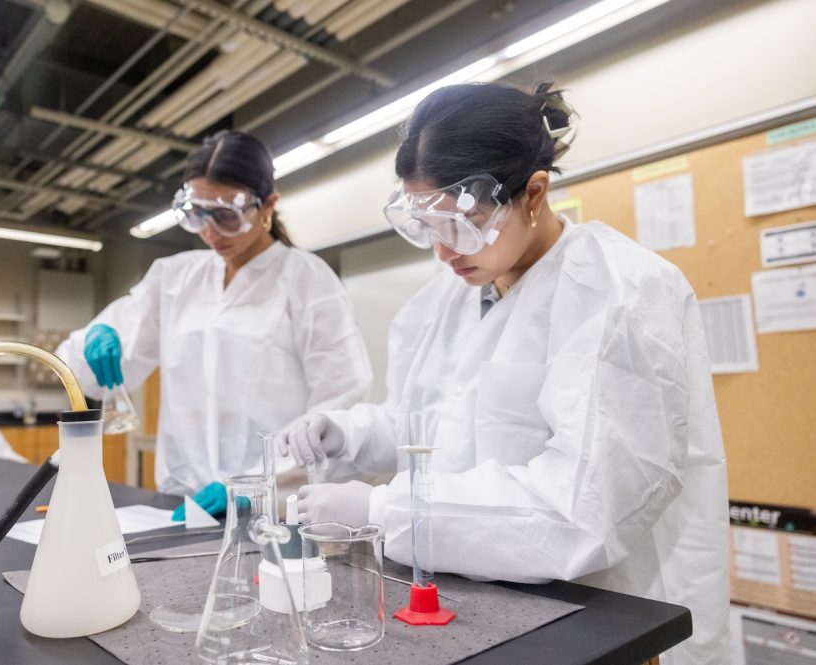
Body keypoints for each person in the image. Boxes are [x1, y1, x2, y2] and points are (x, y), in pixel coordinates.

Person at [277, 83, 729, 664]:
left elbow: (582, 509)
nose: (443, 252)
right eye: (428, 227)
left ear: (534, 193)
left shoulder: (618, 293)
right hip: (475, 606)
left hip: (600, 619)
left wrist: (381, 512)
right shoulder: (447, 299)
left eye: (461, 225)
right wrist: (350, 432)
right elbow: (427, 423)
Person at [57, 130, 372, 516]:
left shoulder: (307, 279)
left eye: (226, 215)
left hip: (271, 507)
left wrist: (252, 486)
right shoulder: (173, 279)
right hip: (183, 501)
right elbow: (97, 376)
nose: (210, 231)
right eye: (198, 215)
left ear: (268, 204)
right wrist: (94, 341)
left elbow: (338, 405)